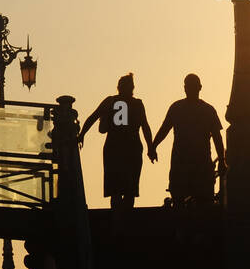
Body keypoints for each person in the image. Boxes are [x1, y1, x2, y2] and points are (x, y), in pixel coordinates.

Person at [79, 73, 155, 209]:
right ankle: (126, 218)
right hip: (132, 148)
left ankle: (117, 218)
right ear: (132, 88)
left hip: (114, 147)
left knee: (115, 189)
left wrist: (82, 134)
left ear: (119, 87)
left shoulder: (110, 101)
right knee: (130, 190)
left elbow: (93, 117)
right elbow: (145, 126)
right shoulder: (137, 104)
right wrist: (151, 147)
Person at [151, 73, 225, 204]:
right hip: (188, 166)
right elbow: (217, 137)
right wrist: (153, 146)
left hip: (193, 166)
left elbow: (217, 137)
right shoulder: (205, 110)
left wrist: (153, 146)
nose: (189, 89)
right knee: (196, 203)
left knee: (193, 203)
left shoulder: (181, 108)